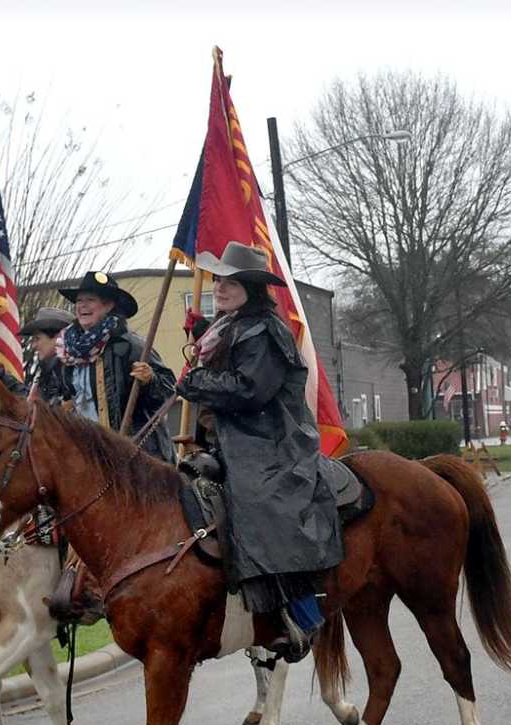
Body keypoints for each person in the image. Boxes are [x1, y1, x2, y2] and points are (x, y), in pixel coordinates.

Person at [174, 243, 346, 663]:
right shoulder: (228, 327)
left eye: (230, 282)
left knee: (257, 502)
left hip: (272, 442)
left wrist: (196, 384)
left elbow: (251, 389)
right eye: (218, 280)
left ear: (252, 287)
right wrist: (200, 342)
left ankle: (299, 614)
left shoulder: (265, 330)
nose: (221, 288)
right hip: (233, 438)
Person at [54, 270, 177, 460]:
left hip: (137, 453)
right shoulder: (68, 352)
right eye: (79, 301)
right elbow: (68, 398)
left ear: (109, 305)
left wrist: (150, 380)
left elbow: (169, 390)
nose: (82, 305)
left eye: (90, 300)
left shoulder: (131, 346)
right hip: (91, 454)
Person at [19, 306, 72, 403]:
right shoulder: (49, 373)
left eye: (37, 339)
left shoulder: (72, 373)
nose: (33, 346)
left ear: (58, 337)